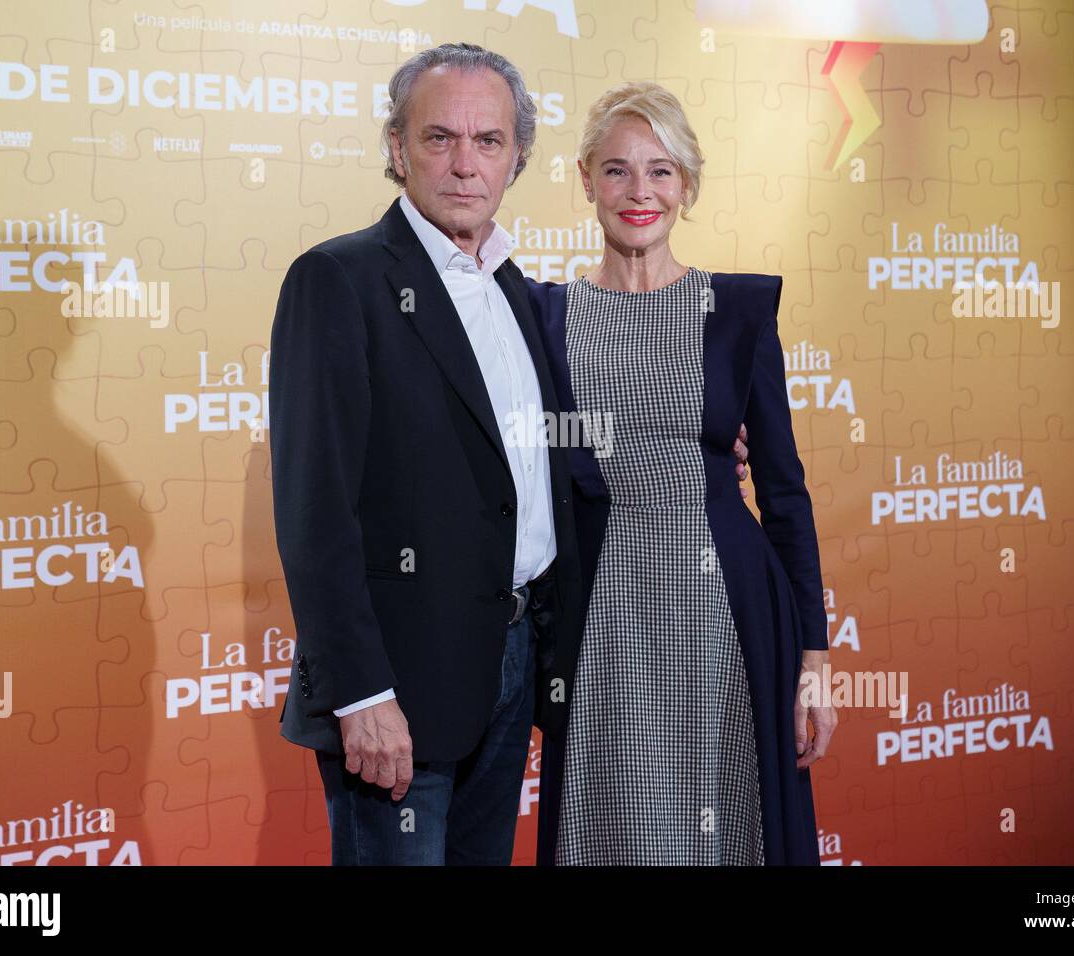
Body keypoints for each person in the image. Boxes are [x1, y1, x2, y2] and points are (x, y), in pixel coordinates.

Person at [268, 45, 751, 866]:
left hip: (517, 666)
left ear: (518, 157)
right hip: (398, 689)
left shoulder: (523, 295)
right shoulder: (338, 281)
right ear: (396, 147)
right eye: (439, 139)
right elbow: (314, 513)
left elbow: (559, 452)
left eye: (488, 141)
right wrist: (360, 693)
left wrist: (695, 448)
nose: (465, 164)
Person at [526, 81, 838, 865]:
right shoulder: (544, 316)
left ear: (688, 185)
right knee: (609, 827)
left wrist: (815, 659)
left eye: (661, 171)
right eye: (619, 170)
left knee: (733, 819)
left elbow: (785, 492)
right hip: (603, 610)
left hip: (726, 606)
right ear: (586, 177)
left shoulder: (737, 313)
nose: (640, 192)